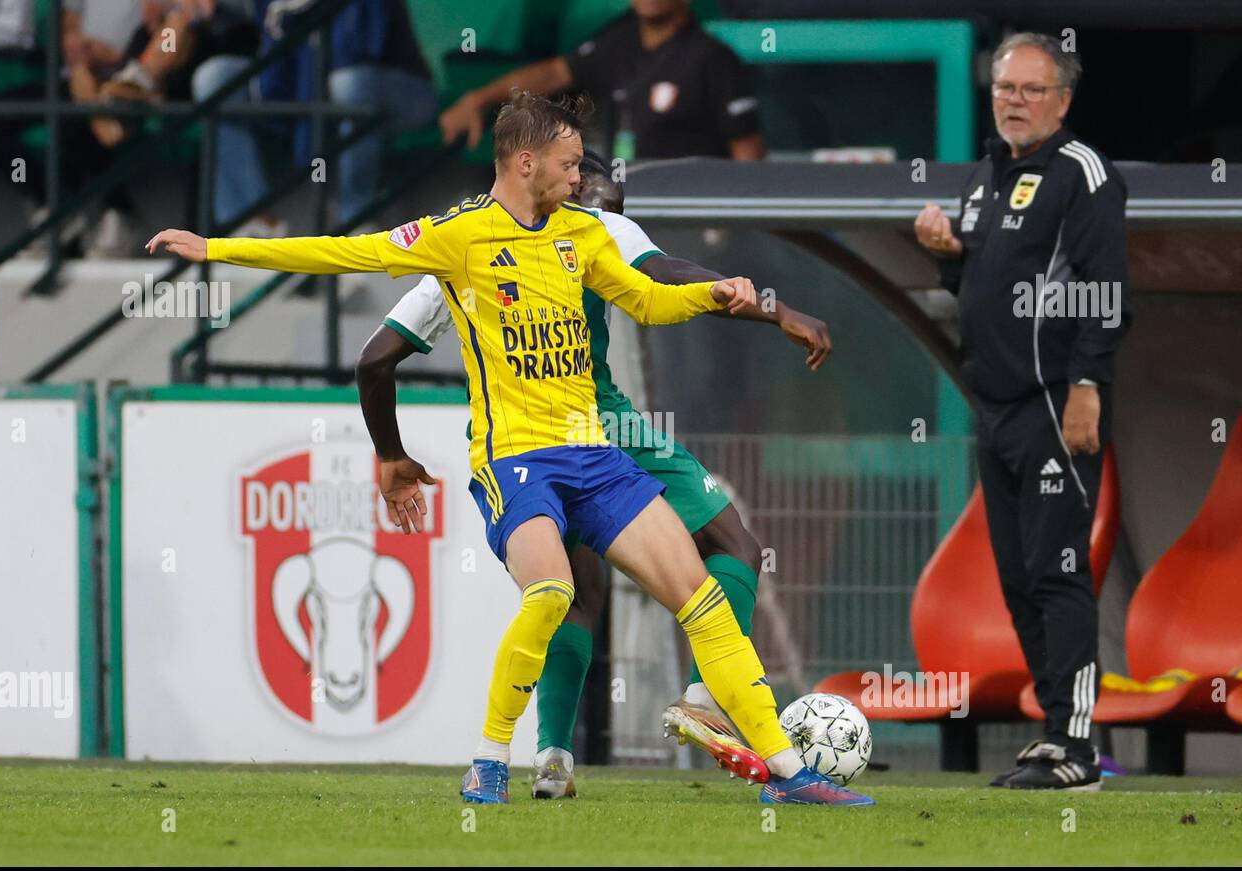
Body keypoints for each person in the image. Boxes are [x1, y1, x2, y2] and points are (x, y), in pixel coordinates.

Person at [148, 90, 869, 808]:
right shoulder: (458, 236)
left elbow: (647, 299)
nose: (578, 176)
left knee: (703, 598)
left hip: (593, 452)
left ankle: (785, 772)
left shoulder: (582, 233)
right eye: (567, 163)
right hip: (515, 459)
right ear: (526, 163)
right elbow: (343, 254)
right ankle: (491, 760)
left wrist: (718, 297)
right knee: (553, 594)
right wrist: (216, 248)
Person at [357, 148, 832, 798]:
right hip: (593, 423)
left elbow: (376, 359)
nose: (596, 204)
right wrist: (775, 311)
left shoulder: (486, 241)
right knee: (724, 547)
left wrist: (389, 454)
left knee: (572, 593)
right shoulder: (585, 224)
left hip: (529, 440)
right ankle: (698, 703)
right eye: (579, 183)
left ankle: (556, 751)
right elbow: (671, 276)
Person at [914, 33, 1133, 791]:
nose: (1013, 100)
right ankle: (1055, 735)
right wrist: (945, 251)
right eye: (1005, 87)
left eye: (1030, 90)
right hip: (997, 406)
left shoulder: (1084, 175)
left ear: (1063, 100)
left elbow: (1106, 293)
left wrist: (1087, 387)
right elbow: (983, 282)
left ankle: (1076, 746)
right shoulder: (987, 174)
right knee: (1016, 579)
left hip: (1054, 404)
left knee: (1058, 570)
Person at [190, 0, 437, 235]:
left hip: (405, 93)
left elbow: (363, 47)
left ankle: (355, 218)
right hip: (303, 89)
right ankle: (249, 220)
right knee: (215, 78)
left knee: (348, 83)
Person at [439, 0, 762, 161]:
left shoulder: (713, 57)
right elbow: (553, 74)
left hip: (692, 214)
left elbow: (748, 156)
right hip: (627, 209)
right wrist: (478, 99)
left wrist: (727, 225)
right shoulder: (619, 42)